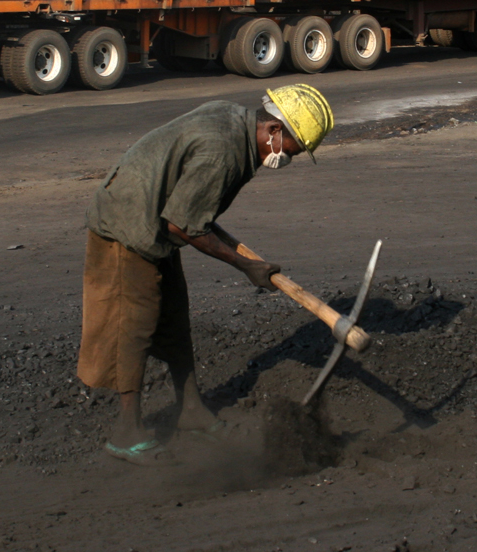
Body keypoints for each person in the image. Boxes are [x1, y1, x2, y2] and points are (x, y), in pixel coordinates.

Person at [79, 84, 334, 465]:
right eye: (291, 151)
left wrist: (218, 237)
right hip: (127, 225)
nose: (287, 159)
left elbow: (194, 211)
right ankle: (127, 433)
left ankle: (191, 411)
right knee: (131, 326)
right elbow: (184, 226)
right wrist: (246, 266)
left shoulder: (237, 123)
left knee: (174, 319)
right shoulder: (224, 152)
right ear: (275, 130)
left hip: (158, 221)